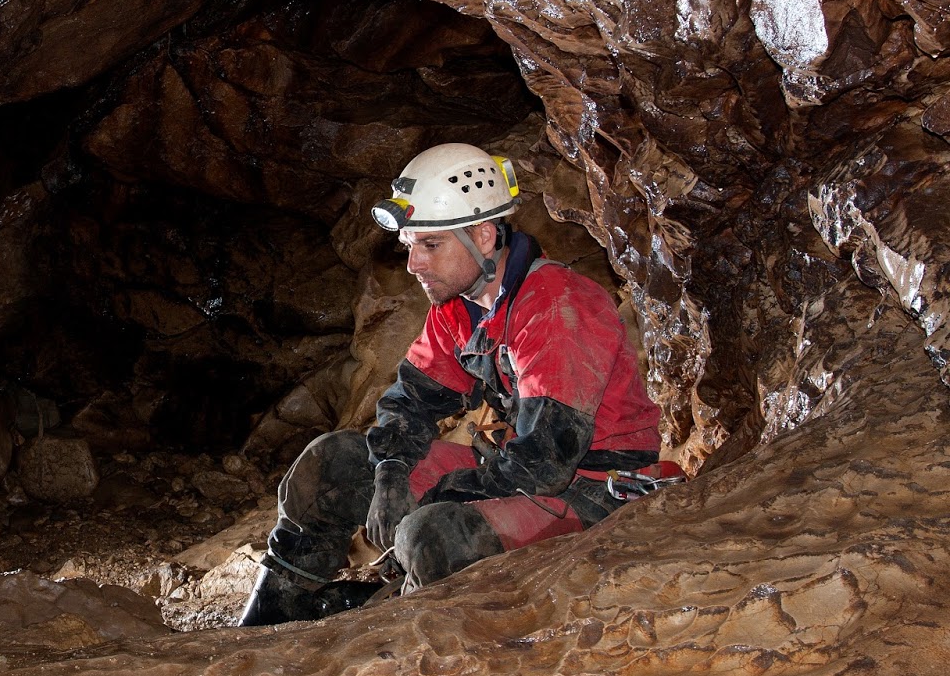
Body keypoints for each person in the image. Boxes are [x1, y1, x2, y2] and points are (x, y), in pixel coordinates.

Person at [238, 142, 670, 627]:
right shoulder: (459, 308)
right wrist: (392, 472)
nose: (412, 264)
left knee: (435, 536)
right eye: (410, 246)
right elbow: (410, 400)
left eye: (430, 245)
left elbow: (544, 462)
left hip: (588, 492)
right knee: (333, 464)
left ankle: (386, 628)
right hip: (514, 469)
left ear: (484, 237)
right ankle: (274, 618)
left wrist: (441, 491)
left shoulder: (558, 308)